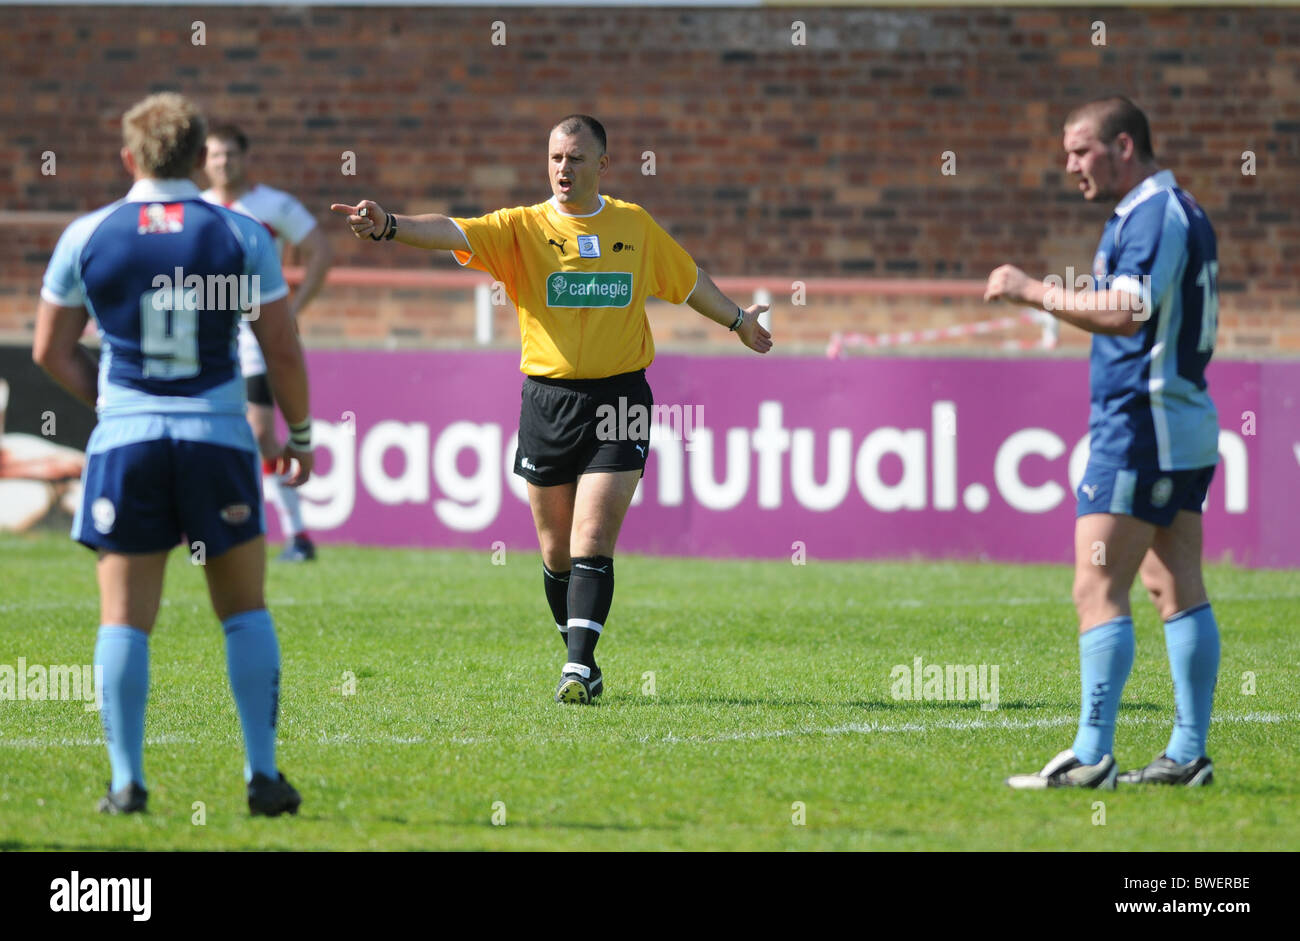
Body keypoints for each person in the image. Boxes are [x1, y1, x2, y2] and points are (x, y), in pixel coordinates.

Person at [332, 114, 773, 703]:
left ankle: (575, 666)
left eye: (576, 159)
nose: (564, 169)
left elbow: (688, 281)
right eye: (556, 158)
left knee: (593, 534)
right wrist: (389, 226)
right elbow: (452, 232)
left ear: (602, 166)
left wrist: (740, 321)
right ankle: (581, 659)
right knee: (555, 549)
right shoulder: (522, 228)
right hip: (547, 401)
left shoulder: (633, 226)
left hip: (621, 397)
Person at [33, 93, 314, 814]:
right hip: (217, 439)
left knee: (124, 619)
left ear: (128, 158)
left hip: (127, 441)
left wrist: (113, 401)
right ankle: (262, 776)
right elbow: (281, 346)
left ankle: (127, 784)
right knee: (244, 611)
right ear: (199, 158)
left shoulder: (89, 233)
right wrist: (301, 434)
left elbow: (50, 350)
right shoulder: (241, 233)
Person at [987, 96, 1221, 789]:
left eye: (1082, 150)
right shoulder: (1181, 210)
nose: (1071, 166)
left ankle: (1091, 754)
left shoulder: (1152, 213)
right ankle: (1187, 753)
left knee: (1097, 584)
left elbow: (1127, 310)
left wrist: (1033, 290)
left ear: (1124, 146)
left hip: (1140, 422)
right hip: (1180, 419)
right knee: (1171, 580)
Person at [203, 123, 333, 562]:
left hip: (255, 332)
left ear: (245, 157)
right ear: (204, 161)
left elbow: (319, 249)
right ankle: (213, 530)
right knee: (212, 431)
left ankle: (297, 535)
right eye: (215, 155)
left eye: (230, 154)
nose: (223, 163)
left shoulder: (272, 205)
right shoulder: (196, 208)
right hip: (207, 335)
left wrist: (292, 311)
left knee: (260, 431)